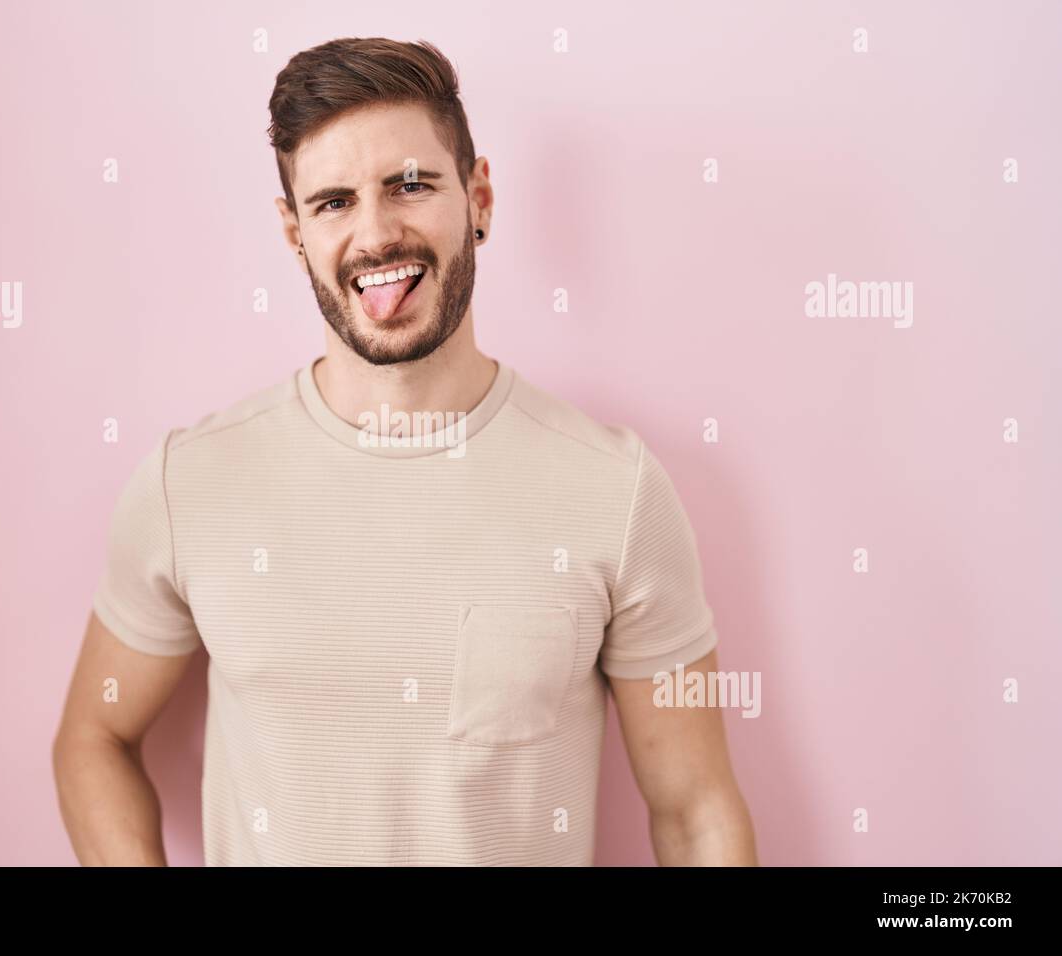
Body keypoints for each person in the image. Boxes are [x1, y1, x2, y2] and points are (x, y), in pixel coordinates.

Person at [53, 37, 757, 866]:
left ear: (480, 196)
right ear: (294, 231)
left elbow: (694, 808)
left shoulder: (617, 489)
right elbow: (92, 737)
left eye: (410, 185)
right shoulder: (189, 484)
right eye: (333, 202)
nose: (377, 233)